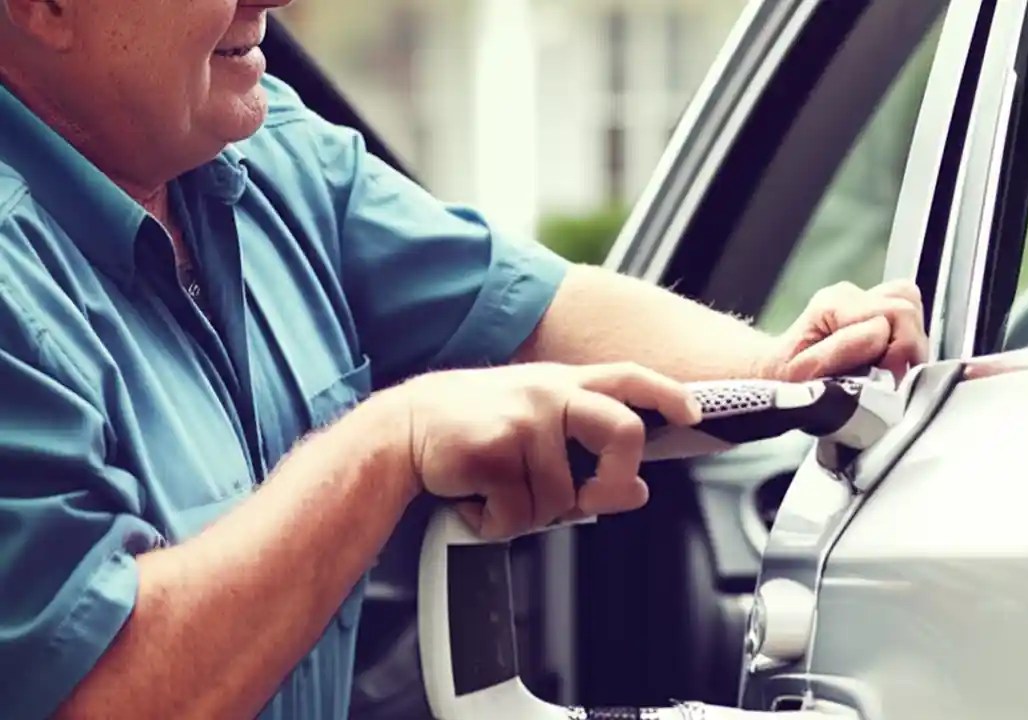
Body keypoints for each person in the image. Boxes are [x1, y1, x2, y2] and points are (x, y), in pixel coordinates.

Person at [0, 1, 927, 718]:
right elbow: (99, 695)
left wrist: (794, 373)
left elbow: (536, 315)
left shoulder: (263, 152)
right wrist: (387, 448)